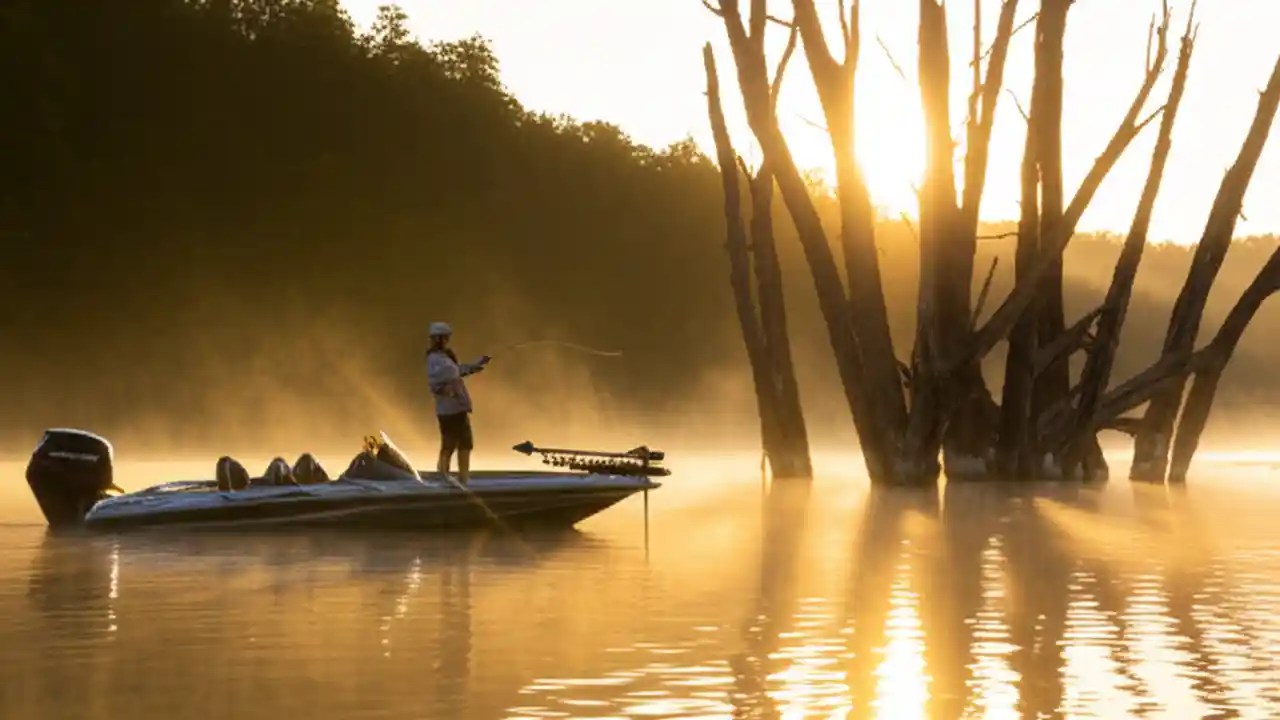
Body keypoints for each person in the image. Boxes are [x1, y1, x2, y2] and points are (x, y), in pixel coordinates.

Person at [425, 321, 490, 485]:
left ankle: (459, 478)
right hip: (451, 410)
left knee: (461, 444)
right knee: (453, 445)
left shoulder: (442, 358)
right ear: (438, 339)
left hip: (454, 409)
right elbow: (444, 378)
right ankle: (450, 478)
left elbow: (456, 371)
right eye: (445, 338)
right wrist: (462, 373)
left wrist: (476, 365)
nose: (447, 341)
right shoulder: (436, 359)